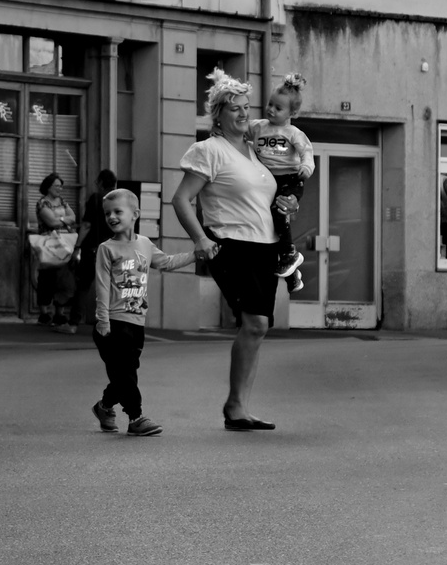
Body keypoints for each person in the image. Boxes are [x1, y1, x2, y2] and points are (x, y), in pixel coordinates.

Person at [171, 69, 299, 432]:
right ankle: (235, 406)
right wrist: (200, 238)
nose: (243, 113)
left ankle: (239, 405)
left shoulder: (256, 152)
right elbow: (181, 199)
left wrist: (288, 204)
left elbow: (262, 200)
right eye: (234, 108)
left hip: (266, 247)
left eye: (246, 107)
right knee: (255, 322)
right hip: (231, 245)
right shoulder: (209, 151)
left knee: (257, 328)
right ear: (218, 115)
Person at [89, 189, 196, 437]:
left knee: (125, 374)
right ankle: (136, 418)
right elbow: (102, 286)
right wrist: (103, 320)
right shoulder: (107, 248)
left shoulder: (145, 244)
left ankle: (104, 406)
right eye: (107, 213)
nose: (111, 217)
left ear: (135, 214)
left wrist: (196, 255)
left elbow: (167, 262)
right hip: (113, 321)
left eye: (118, 211)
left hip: (136, 322)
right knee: (125, 374)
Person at [249, 73, 315, 294]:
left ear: (292, 113)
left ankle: (290, 254)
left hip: (290, 179)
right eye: (270, 104)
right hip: (267, 179)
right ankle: (292, 274)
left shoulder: (293, 133)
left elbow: (307, 153)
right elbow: (237, 129)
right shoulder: (258, 127)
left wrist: (306, 168)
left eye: (278, 108)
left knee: (279, 214)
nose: (271, 110)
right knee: (270, 227)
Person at [32, 172, 80, 331]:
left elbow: (73, 217)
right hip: (49, 243)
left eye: (61, 186)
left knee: (63, 276)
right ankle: (44, 313)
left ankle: (60, 312)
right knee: (46, 276)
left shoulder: (62, 202)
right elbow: (50, 222)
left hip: (64, 243)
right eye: (56, 186)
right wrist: (64, 220)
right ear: (48, 187)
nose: (60, 189)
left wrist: (60, 220)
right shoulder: (42, 203)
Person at [73, 169, 119, 324]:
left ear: (100, 183)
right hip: (114, 250)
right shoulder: (122, 201)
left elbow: (86, 225)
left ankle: (74, 322)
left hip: (93, 248)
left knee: (83, 284)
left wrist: (77, 246)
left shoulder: (97, 199)